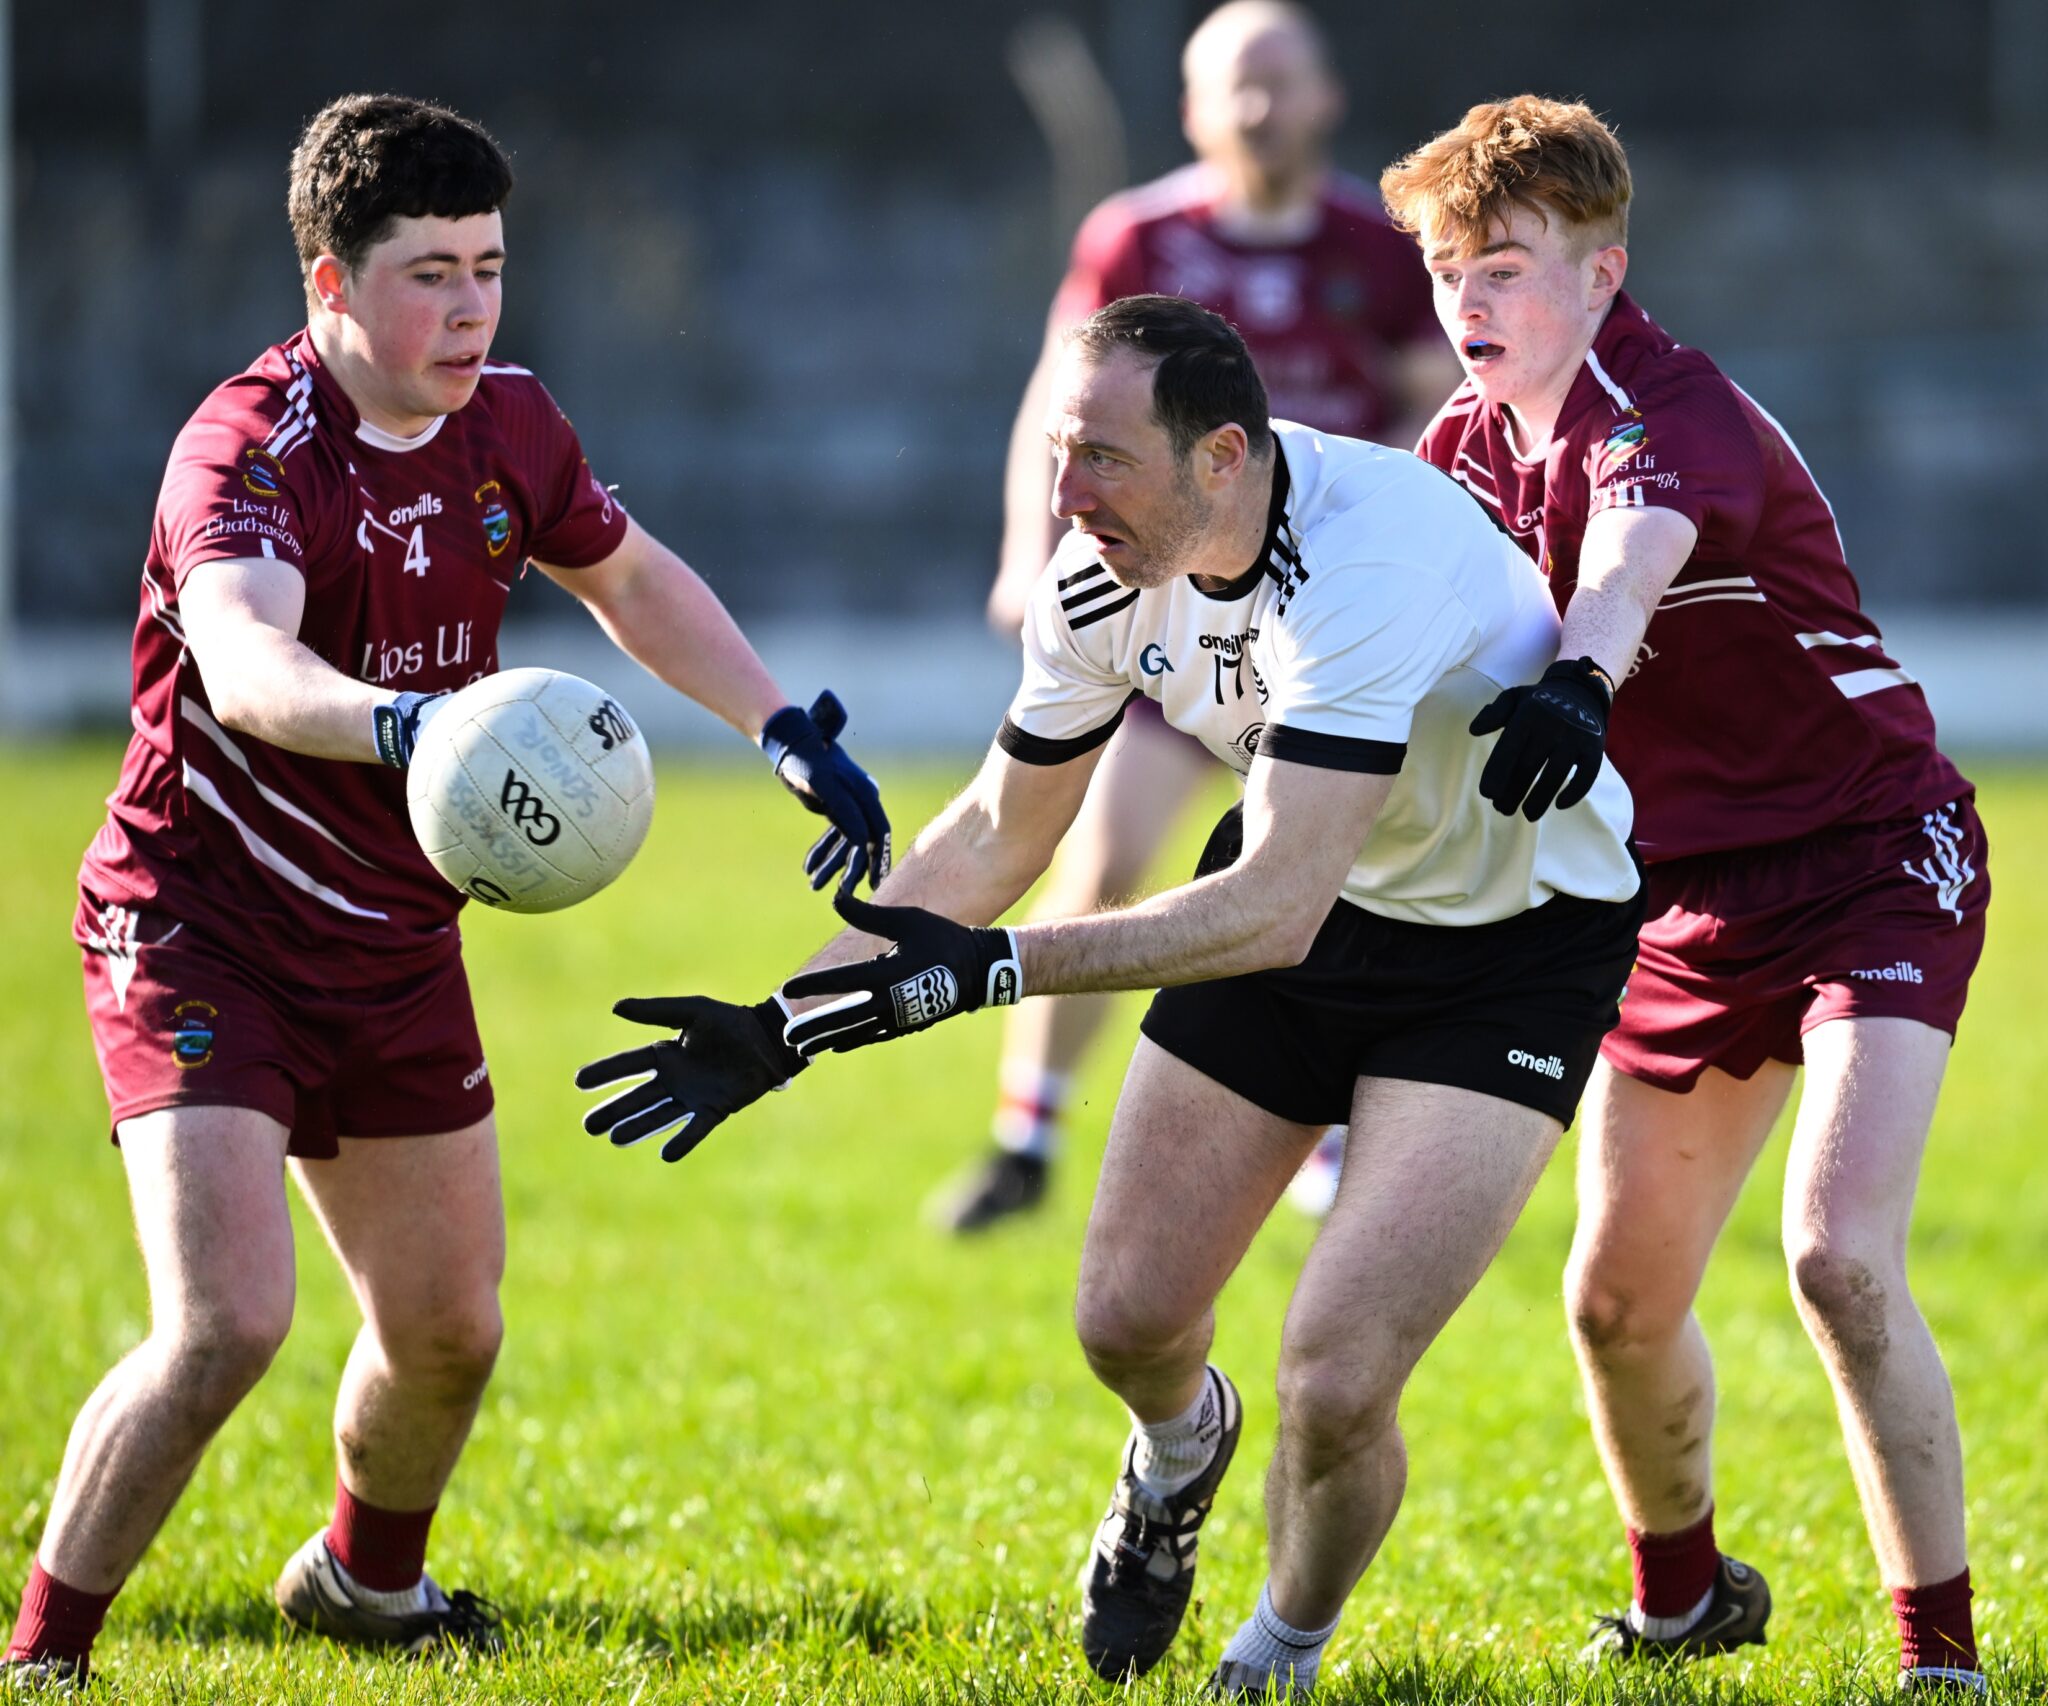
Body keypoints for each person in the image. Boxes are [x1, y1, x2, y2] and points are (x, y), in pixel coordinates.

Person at [580, 295, 1646, 1698]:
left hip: (1507, 942)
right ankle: (1178, 1451)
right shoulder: (1102, 580)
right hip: (1293, 901)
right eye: (1056, 456)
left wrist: (996, 972)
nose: (1067, 500)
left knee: (1334, 1382)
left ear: (1222, 457)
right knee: (1125, 1319)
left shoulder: (1368, 559)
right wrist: (790, 1019)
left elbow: (1276, 906)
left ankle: (1279, 1649)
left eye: (1102, 460)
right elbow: (996, 836)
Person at [0, 94, 891, 1689]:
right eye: (429, 273)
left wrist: (776, 725)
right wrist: (413, 722)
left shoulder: (514, 424)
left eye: (489, 267)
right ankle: (43, 1656)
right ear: (330, 287)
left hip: (396, 938)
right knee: (225, 1326)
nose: (472, 306)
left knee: (450, 1330)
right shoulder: (250, 447)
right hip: (201, 923)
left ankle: (364, 1585)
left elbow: (628, 575)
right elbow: (249, 661)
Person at [1386, 97, 1991, 1695]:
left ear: (1604, 273)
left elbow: (1629, 555)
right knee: (1614, 1300)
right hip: (1680, 897)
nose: (1470, 306)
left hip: (1875, 852)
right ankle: (1686, 1601)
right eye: (1450, 269)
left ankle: (1945, 1662)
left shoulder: (1674, 409)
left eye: (1505, 268)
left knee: (1837, 1258)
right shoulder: (1456, 447)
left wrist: (1583, 681)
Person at [945, 0, 1459, 1231]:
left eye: (1279, 81)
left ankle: (1328, 1133)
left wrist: (1384, 541)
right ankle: (1028, 1132)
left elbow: (1437, 403)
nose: (1256, 107)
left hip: (1330, 622)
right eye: (1232, 84)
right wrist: (1032, 548)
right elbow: (1055, 401)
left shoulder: (1380, 244)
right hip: (1184, 603)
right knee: (1105, 851)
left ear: (1326, 96)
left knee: (1334, 873)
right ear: (1189, 107)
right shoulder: (1138, 235)